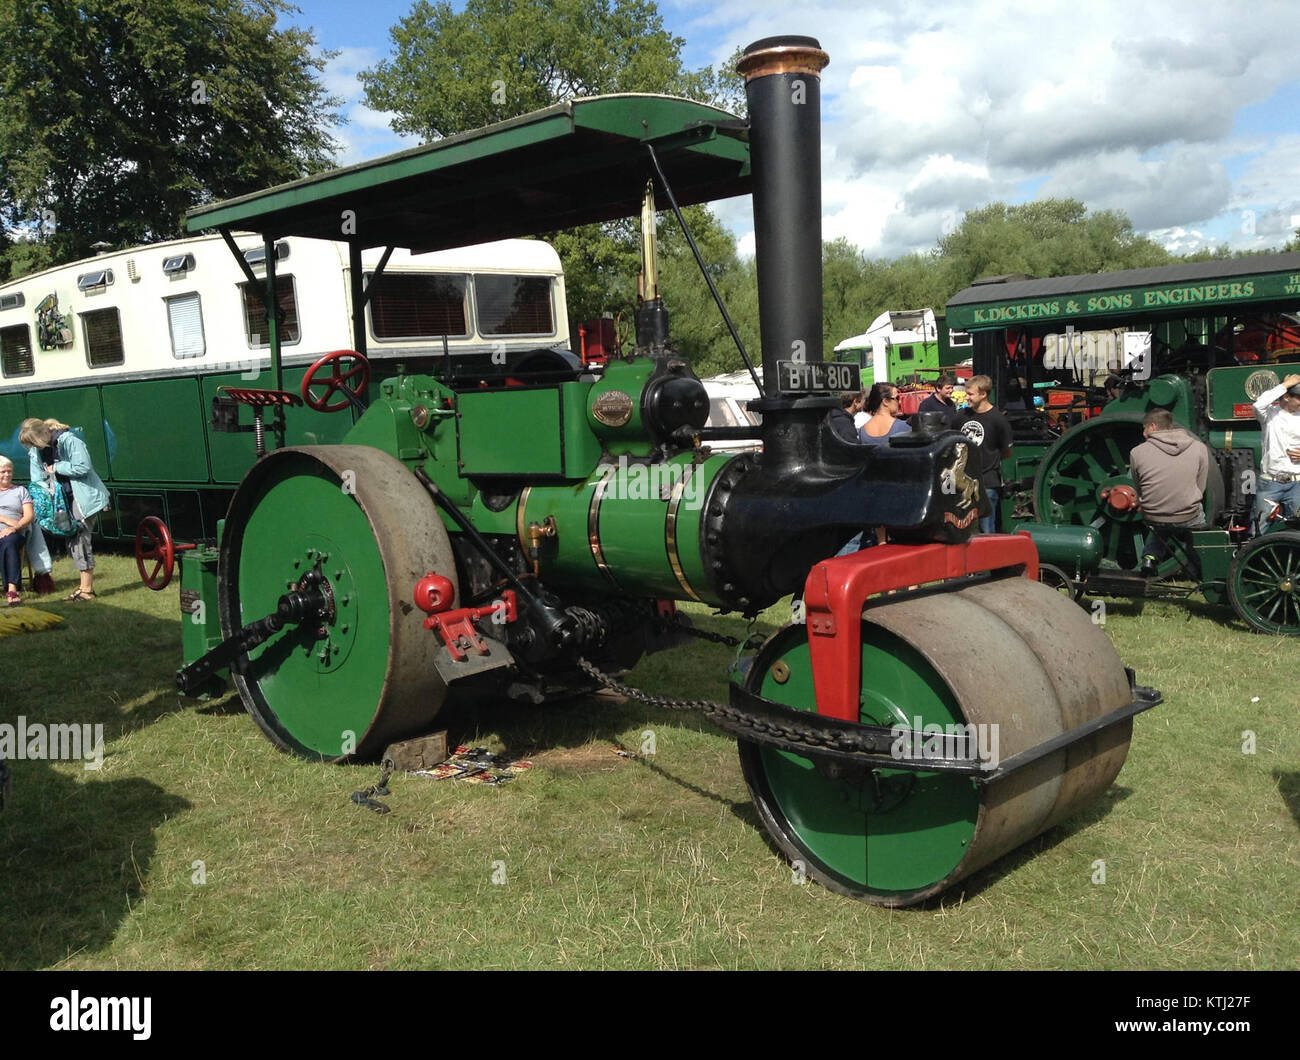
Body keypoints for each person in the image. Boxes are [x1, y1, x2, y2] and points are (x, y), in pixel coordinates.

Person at [18, 417, 109, 601]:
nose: (35, 448)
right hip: (61, 501)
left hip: (83, 498)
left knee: (80, 540)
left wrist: (56, 467)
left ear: (45, 433)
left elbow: (83, 466)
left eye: (35, 443)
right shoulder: (37, 449)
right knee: (73, 542)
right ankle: (83, 588)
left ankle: (87, 590)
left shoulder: (69, 440)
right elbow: (37, 478)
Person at [1129, 409, 1210, 576]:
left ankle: (1150, 557)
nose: (1144, 434)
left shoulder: (1136, 452)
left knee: (1161, 526)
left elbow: (1139, 487)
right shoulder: (1199, 447)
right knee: (1195, 527)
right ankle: (1197, 568)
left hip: (1154, 514)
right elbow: (1201, 485)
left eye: (1144, 429)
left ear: (1153, 426)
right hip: (1188, 515)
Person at [955, 375, 1013, 533]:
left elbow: (1007, 451)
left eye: (970, 394)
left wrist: (988, 461)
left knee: (987, 529)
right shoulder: (961, 416)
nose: (966, 397)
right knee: (963, 528)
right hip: (964, 483)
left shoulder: (998, 419)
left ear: (983, 394)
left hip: (987, 483)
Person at [1251, 373, 1300, 536]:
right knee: (1258, 529)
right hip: (1271, 481)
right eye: (1299, 398)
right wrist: (1284, 385)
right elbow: (1259, 405)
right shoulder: (1270, 414)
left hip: (1297, 482)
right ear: (1286, 397)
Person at [0, 455, 35, 605]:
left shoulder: (20, 491)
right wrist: (6, 520)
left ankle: (12, 589)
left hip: (15, 533)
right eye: (2, 472)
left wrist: (14, 527)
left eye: (9, 471)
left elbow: (29, 516)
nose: (7, 475)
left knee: (9, 542)